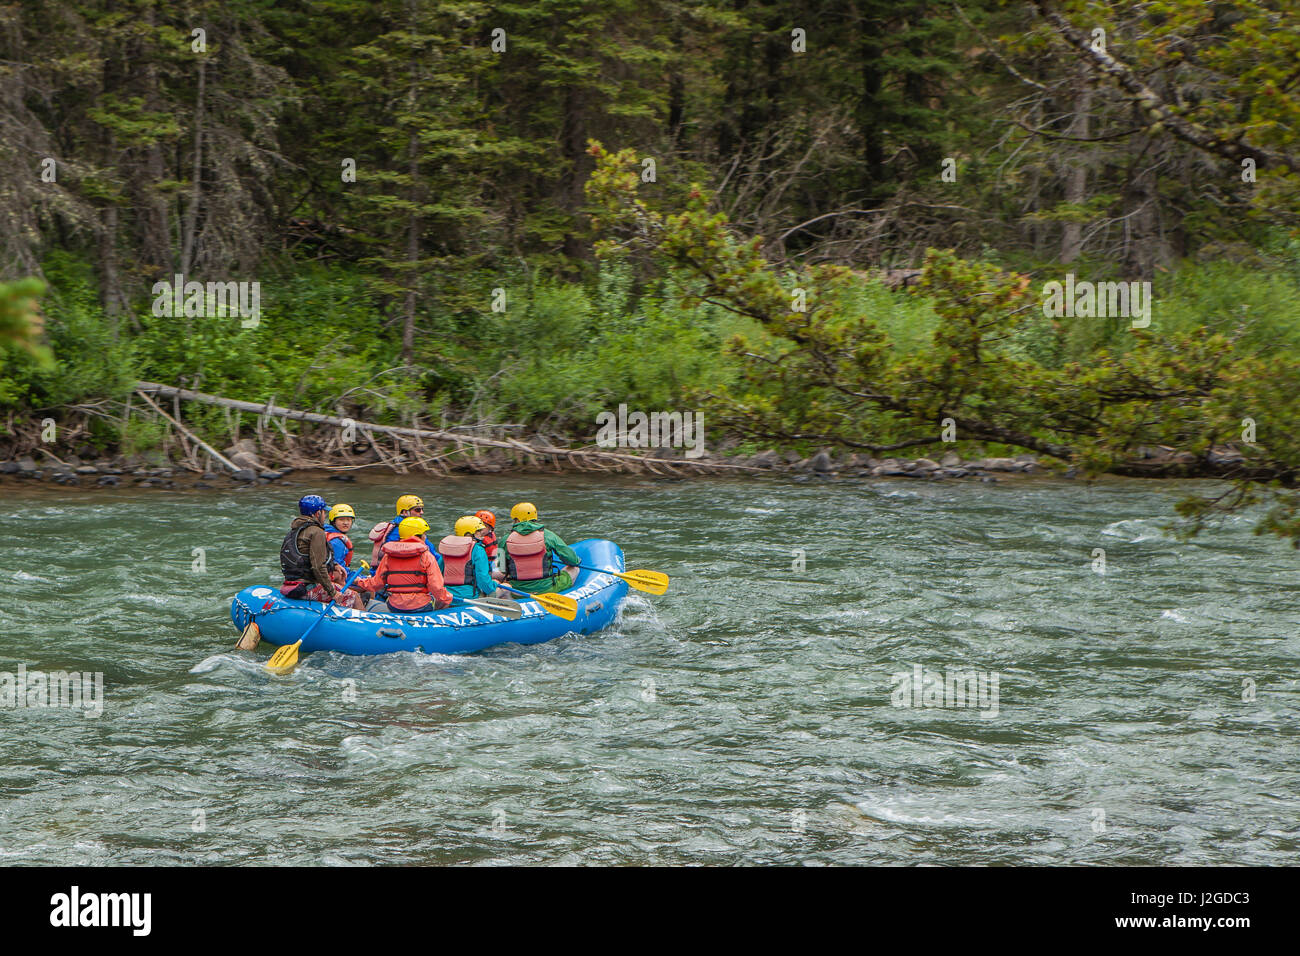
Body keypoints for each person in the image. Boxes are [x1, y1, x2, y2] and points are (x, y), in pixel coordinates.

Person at [356, 517, 453, 613]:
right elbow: (435, 587)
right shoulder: (426, 556)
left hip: (395, 606)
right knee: (441, 602)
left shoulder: (388, 556)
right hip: (421, 606)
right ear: (418, 536)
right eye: (424, 534)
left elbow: (376, 584)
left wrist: (359, 582)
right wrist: (448, 598)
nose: (425, 537)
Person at [280, 494, 345, 604]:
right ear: (318, 513)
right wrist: (333, 593)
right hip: (306, 588)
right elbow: (318, 567)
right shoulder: (316, 531)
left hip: (290, 585)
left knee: (338, 578)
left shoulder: (295, 530)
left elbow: (304, 556)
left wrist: (333, 565)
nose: (325, 516)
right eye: (324, 512)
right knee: (354, 596)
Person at [504, 501, 581, 594]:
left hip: (517, 592)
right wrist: (576, 561)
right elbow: (572, 560)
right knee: (575, 568)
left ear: (517, 520)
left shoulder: (505, 539)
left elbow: (501, 569)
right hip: (546, 589)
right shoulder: (548, 535)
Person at [438, 515, 505, 600]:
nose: (482, 535)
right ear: (469, 534)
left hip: (448, 597)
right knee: (504, 588)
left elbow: (437, 574)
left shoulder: (447, 548)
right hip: (470, 597)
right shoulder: (477, 550)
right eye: (479, 531)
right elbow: (482, 579)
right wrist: (493, 588)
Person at [367, 494, 432, 564]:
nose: (422, 512)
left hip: (381, 570)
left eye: (422, 509)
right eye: (417, 510)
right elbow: (431, 553)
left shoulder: (393, 525)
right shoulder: (408, 529)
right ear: (404, 512)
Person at [475, 509, 506, 581]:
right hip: (485, 567)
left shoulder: (486, 538)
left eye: (484, 526)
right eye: (479, 525)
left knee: (502, 574)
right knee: (501, 576)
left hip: (491, 564)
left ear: (490, 528)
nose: (481, 528)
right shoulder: (477, 540)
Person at [325, 503, 356, 568]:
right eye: (341, 519)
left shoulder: (325, 531)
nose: (346, 523)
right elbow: (339, 569)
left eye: (349, 519)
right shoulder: (336, 542)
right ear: (333, 521)